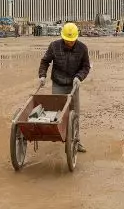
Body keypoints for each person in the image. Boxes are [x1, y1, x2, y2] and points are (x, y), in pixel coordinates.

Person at [38, 21, 90, 153]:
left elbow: (86, 67)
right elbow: (45, 61)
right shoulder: (54, 46)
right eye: (67, 40)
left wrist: (79, 77)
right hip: (58, 83)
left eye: (72, 40)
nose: (70, 43)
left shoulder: (82, 48)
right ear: (63, 37)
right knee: (57, 113)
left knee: (75, 113)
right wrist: (42, 75)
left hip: (74, 84)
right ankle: (57, 135)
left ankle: (76, 141)